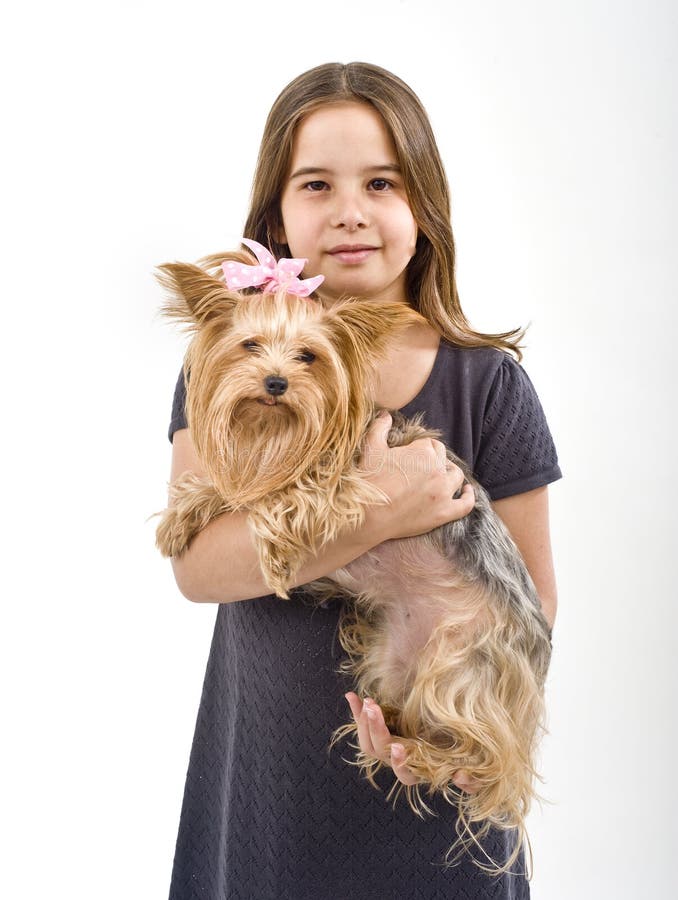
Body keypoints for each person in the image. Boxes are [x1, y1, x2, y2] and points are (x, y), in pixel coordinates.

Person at [164, 61, 561, 900]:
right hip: (268, 791)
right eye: (316, 184)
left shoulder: (487, 384)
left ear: (424, 207)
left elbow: (533, 607)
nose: (349, 210)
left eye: (381, 181)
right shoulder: (227, 369)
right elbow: (199, 566)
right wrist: (376, 511)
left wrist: (456, 734)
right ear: (277, 213)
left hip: (437, 791)